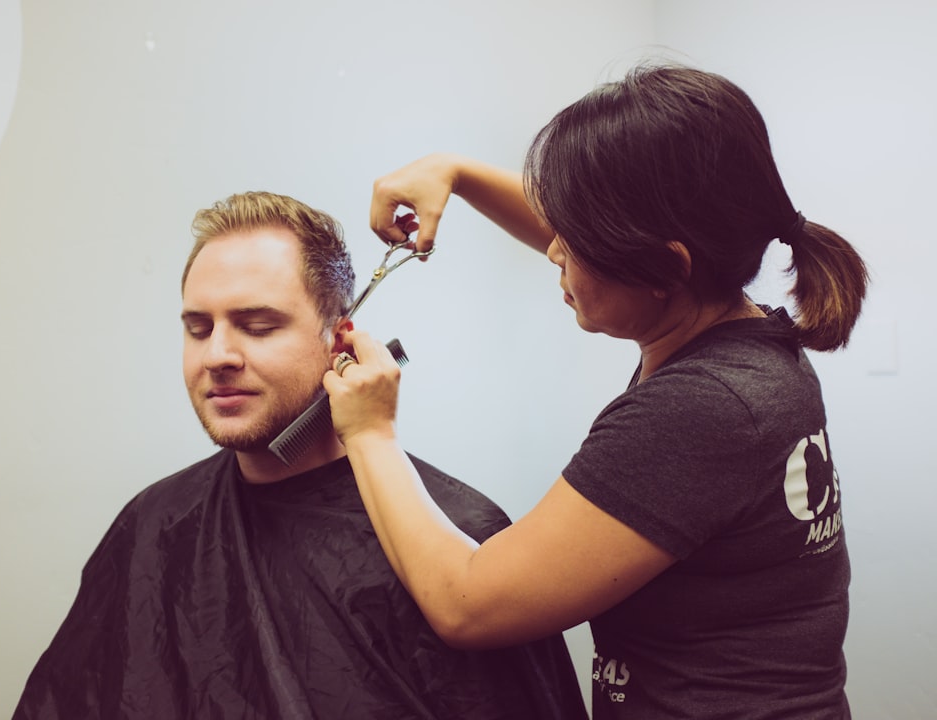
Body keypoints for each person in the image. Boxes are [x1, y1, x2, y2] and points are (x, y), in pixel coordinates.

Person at [324, 64, 867, 719]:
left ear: (664, 265)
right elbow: (601, 249)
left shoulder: (702, 410)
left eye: (573, 239)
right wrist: (457, 174)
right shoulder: (744, 340)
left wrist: (370, 432)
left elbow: (467, 605)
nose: (552, 251)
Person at [11, 191, 584, 719]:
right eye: (197, 328)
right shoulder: (152, 526)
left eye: (257, 326)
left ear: (340, 340)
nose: (217, 355)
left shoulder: (459, 544)